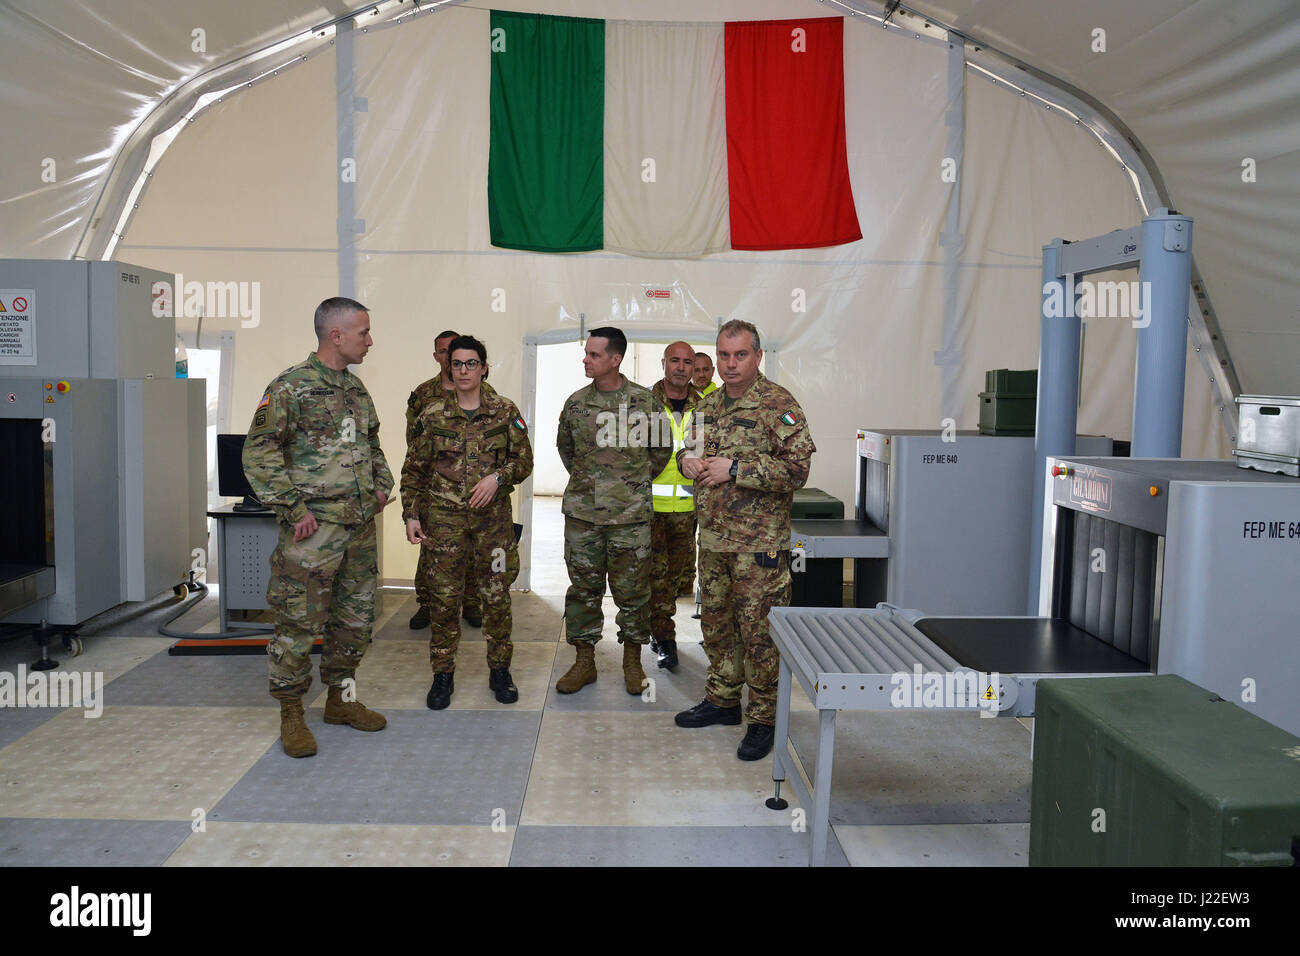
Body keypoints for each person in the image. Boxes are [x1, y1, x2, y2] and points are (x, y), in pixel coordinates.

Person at [243, 296, 394, 758]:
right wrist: (292, 509)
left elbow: (372, 445)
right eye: (363, 332)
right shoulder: (291, 387)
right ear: (336, 336)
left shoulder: (357, 391)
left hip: (359, 529)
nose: (370, 340)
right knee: (298, 624)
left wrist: (384, 485)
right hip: (313, 533)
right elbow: (258, 453)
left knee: (355, 620)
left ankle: (340, 702)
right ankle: (291, 713)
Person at [674, 319, 816, 761]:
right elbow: (686, 451)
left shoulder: (779, 405)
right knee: (717, 626)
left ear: (757, 356)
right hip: (713, 540)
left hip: (759, 548)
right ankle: (721, 700)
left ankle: (765, 718)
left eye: (739, 355)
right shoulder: (707, 406)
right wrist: (687, 464)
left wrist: (735, 468)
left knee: (759, 634)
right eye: (723, 355)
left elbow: (798, 470)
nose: (730, 364)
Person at [401, 335, 533, 709]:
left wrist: (497, 478)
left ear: (484, 367)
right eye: (456, 363)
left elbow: (524, 462)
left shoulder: (505, 412)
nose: (463, 370)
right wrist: (411, 514)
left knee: (496, 599)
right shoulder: (432, 415)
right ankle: (442, 675)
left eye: (470, 363)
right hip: (444, 525)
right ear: (448, 367)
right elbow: (414, 470)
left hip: (493, 526)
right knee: (444, 601)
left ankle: (500, 670)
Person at [556, 327, 671, 695]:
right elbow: (567, 451)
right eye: (586, 354)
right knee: (583, 591)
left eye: (593, 355)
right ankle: (584, 662)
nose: (585, 360)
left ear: (615, 359)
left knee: (634, 593)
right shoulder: (576, 404)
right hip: (583, 517)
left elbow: (661, 451)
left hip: (630, 519)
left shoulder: (644, 402)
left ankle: (633, 663)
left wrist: (628, 488)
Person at [406, 329, 484, 632]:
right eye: (443, 352)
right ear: (438, 356)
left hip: (473, 488)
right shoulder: (424, 394)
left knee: (474, 547)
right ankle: (427, 603)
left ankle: (472, 602)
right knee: (432, 548)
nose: (449, 358)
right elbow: (414, 442)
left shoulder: (482, 391)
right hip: (433, 488)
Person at [648, 341, 701, 671]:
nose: (681, 367)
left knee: (675, 578)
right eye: (675, 361)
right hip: (648, 506)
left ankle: (659, 632)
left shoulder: (708, 406)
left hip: (686, 507)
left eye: (687, 362)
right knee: (653, 577)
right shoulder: (642, 403)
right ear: (663, 363)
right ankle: (664, 638)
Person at [681, 351, 719, 597]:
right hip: (683, 484)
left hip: (716, 484)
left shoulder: (723, 399)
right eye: (697, 370)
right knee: (685, 545)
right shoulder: (682, 398)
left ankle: (704, 592)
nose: (702, 375)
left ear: (713, 370)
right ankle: (687, 586)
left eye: (706, 370)